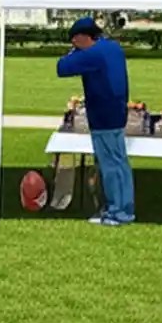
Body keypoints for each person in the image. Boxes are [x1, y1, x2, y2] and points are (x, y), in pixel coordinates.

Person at [56, 17, 135, 226]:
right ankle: (121, 207)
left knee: (110, 166)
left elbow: (62, 67)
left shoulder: (92, 54)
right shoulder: (112, 48)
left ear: (82, 37)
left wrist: (75, 52)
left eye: (74, 41)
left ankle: (119, 212)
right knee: (119, 163)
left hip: (103, 115)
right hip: (117, 112)